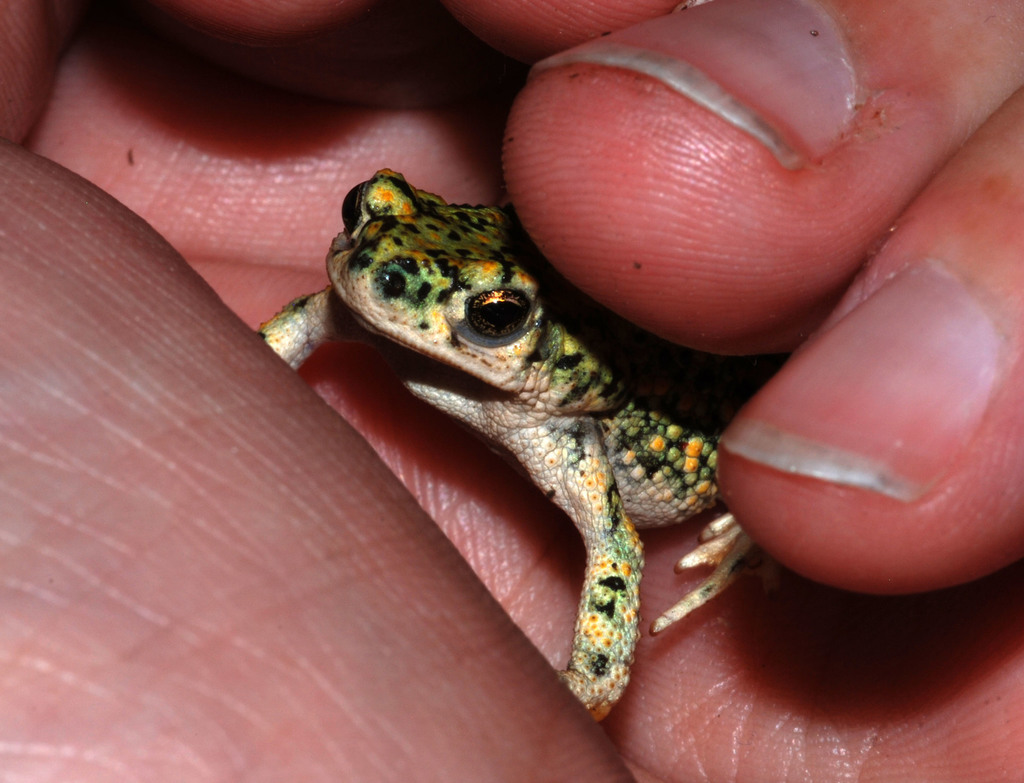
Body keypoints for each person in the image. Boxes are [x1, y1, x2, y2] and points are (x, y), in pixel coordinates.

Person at [4, 0, 1022, 778]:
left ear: (543, 356)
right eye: (368, 220)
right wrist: (211, 411)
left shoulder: (582, 441)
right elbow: (311, 319)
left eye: (490, 320)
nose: (372, 277)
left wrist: (576, 709)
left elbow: (613, 566)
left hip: (709, 430)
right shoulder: (366, 292)